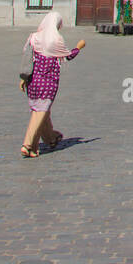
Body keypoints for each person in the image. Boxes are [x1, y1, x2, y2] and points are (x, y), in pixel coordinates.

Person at [19, 11, 85, 158]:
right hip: (48, 82)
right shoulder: (56, 39)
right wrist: (79, 47)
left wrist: (23, 78)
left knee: (41, 111)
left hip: (33, 81)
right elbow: (68, 56)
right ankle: (27, 144)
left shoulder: (34, 37)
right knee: (40, 112)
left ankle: (50, 139)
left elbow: (27, 58)